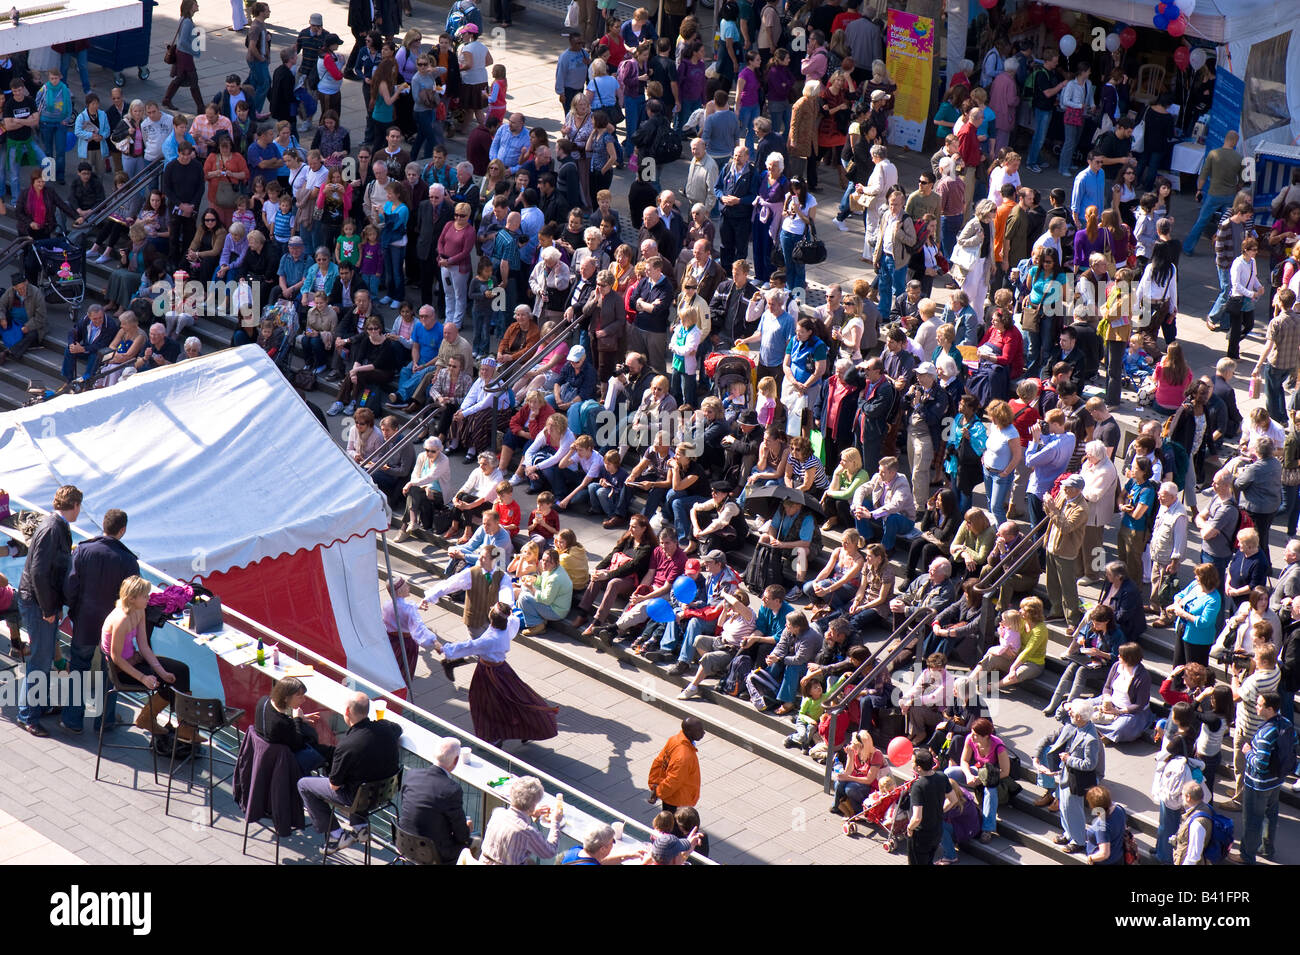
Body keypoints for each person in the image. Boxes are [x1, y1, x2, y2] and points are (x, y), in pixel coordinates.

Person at [432, 603, 560, 747]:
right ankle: (526, 730)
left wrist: (443, 648)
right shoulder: (508, 625)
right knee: (516, 699)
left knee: (484, 703)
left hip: (488, 673)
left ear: (491, 617)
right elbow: (512, 616)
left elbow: (468, 646)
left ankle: (493, 736)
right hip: (503, 670)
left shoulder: (489, 639)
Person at [62, 508, 139, 734]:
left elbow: (70, 585)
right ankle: (105, 721)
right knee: (111, 672)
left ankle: (72, 720)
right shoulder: (128, 561)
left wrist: (73, 609)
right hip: (114, 627)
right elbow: (134, 599)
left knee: (78, 668)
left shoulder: (84, 550)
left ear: (103, 525)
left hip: (85, 621)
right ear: (122, 530)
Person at [296, 690, 402, 852]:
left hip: (357, 798)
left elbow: (334, 786)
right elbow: (398, 728)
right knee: (361, 776)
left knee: (304, 784)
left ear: (347, 712)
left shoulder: (346, 746)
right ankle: (361, 827)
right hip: (385, 792)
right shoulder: (386, 729)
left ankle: (336, 835)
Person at [15, 485, 81, 737]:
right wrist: (48, 608)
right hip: (38, 603)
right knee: (41, 661)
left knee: (42, 658)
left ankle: (36, 706)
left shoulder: (53, 525)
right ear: (74, 506)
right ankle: (28, 715)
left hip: (39, 601)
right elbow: (40, 572)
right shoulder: (53, 529)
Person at [102, 575, 193, 738]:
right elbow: (116, 658)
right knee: (168, 682)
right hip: (120, 670)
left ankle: (184, 726)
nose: (148, 598)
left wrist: (161, 671)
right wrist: (143, 678)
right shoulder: (121, 620)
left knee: (180, 670)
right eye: (145, 596)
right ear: (132, 598)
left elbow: (144, 646)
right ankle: (153, 720)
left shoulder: (140, 611)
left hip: (133, 660)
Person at [398, 737, 473, 864]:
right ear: (456, 760)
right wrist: (468, 829)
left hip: (403, 842)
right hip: (433, 853)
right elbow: (462, 837)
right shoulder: (451, 790)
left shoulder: (411, 775)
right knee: (473, 843)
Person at [1236, 691, 1292, 864]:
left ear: (1270, 709)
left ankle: (1246, 855)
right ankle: (1267, 848)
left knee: (1253, 819)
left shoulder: (1264, 734)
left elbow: (1260, 764)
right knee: (1271, 814)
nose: (1256, 707)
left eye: (1260, 705)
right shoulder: (1287, 724)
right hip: (1276, 780)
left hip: (1258, 785)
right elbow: (1293, 746)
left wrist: (1247, 753)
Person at [253, 676, 334, 773]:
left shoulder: (264, 701)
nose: (304, 700)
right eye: (300, 697)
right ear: (286, 698)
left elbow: (281, 721)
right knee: (333, 752)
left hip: (265, 753)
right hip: (287, 761)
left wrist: (297, 718)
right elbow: (298, 744)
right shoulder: (281, 723)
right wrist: (297, 719)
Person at [479, 776, 563, 865]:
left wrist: (530, 812)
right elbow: (549, 852)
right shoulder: (527, 832)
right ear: (533, 805)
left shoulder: (497, 813)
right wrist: (555, 822)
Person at [647, 717, 704, 812]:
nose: (703, 733)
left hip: (671, 797)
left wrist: (655, 785)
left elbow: (659, 762)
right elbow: (673, 780)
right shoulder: (684, 756)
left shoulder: (674, 740)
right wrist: (658, 792)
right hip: (679, 802)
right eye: (699, 730)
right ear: (689, 732)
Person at [905, 746, 946, 865]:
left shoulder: (918, 786)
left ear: (919, 767)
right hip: (937, 830)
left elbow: (917, 817)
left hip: (921, 835)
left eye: (912, 762)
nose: (911, 764)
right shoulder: (942, 777)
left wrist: (909, 828)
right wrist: (938, 812)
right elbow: (953, 799)